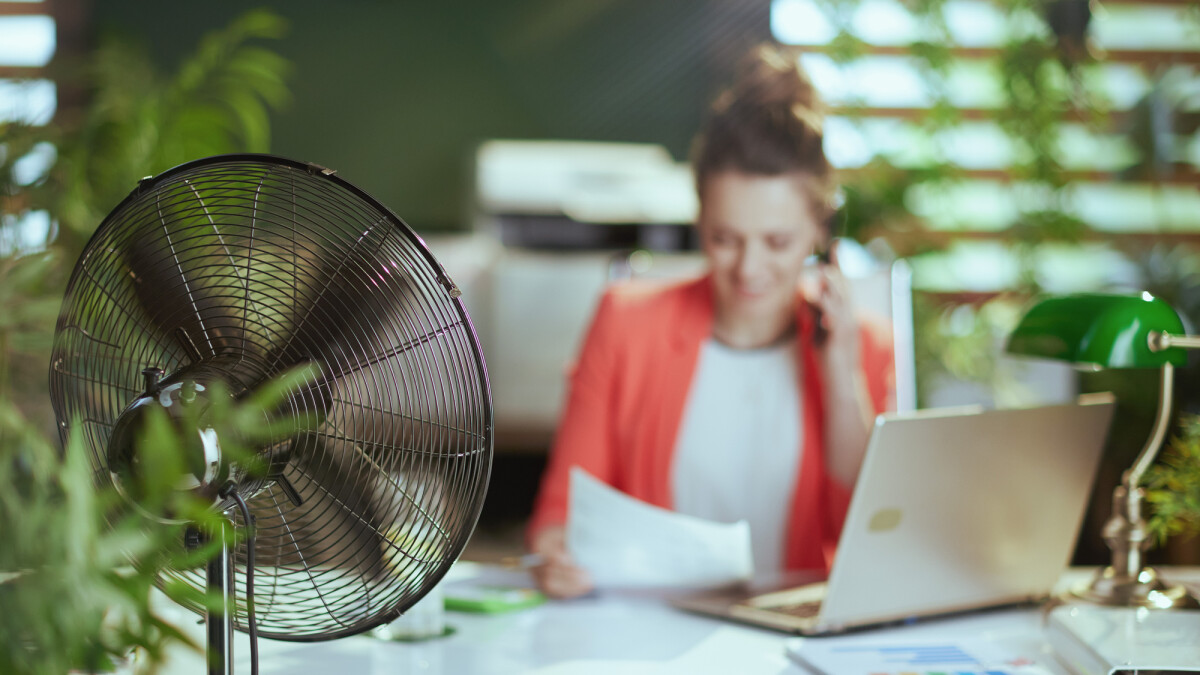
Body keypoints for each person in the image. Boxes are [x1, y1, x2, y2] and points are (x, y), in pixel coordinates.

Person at [526, 45, 895, 599]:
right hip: (651, 632)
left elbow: (874, 539)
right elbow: (560, 516)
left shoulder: (864, 347)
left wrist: (842, 380)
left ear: (820, 231)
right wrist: (557, 555)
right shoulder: (626, 323)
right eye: (725, 239)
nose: (749, 268)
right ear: (700, 218)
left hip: (786, 641)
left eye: (777, 242)